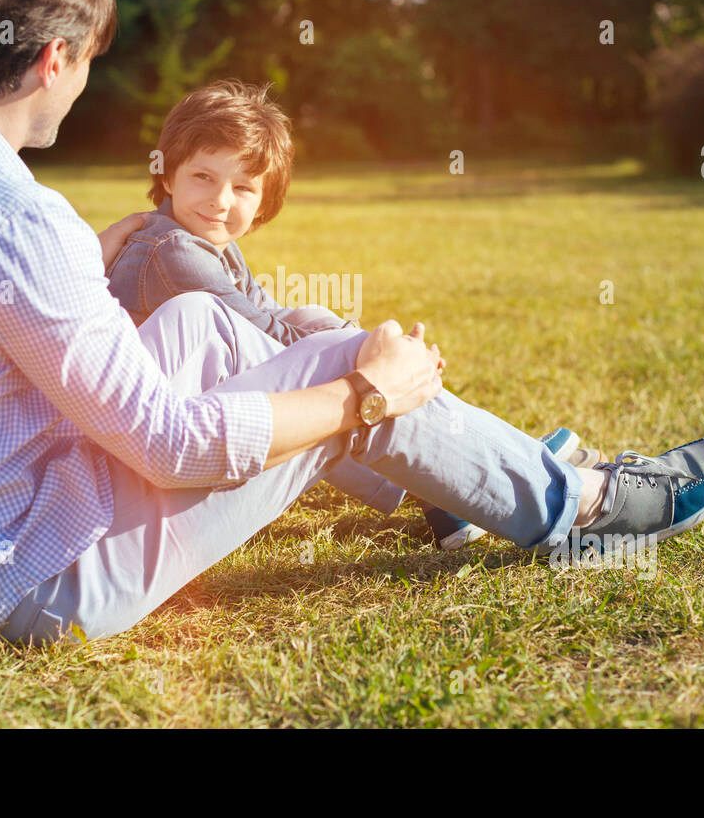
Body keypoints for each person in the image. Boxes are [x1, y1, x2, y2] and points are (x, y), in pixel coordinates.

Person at [0, 0, 704, 644]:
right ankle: (579, 507)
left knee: (204, 324)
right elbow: (171, 448)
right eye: (89, 60)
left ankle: (453, 486)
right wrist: (364, 395)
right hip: (14, 584)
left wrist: (73, 261)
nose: (85, 78)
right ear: (55, 59)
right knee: (342, 361)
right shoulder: (14, 217)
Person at [104, 79, 606, 550]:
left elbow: (267, 311)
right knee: (328, 367)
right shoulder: (174, 252)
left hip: (190, 410)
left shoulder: (203, 239)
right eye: (203, 177)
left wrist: (346, 333)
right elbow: (267, 341)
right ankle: (463, 479)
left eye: (243, 188)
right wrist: (367, 353)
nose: (219, 200)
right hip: (169, 435)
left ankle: (472, 469)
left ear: (263, 203)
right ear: (167, 174)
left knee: (316, 320)